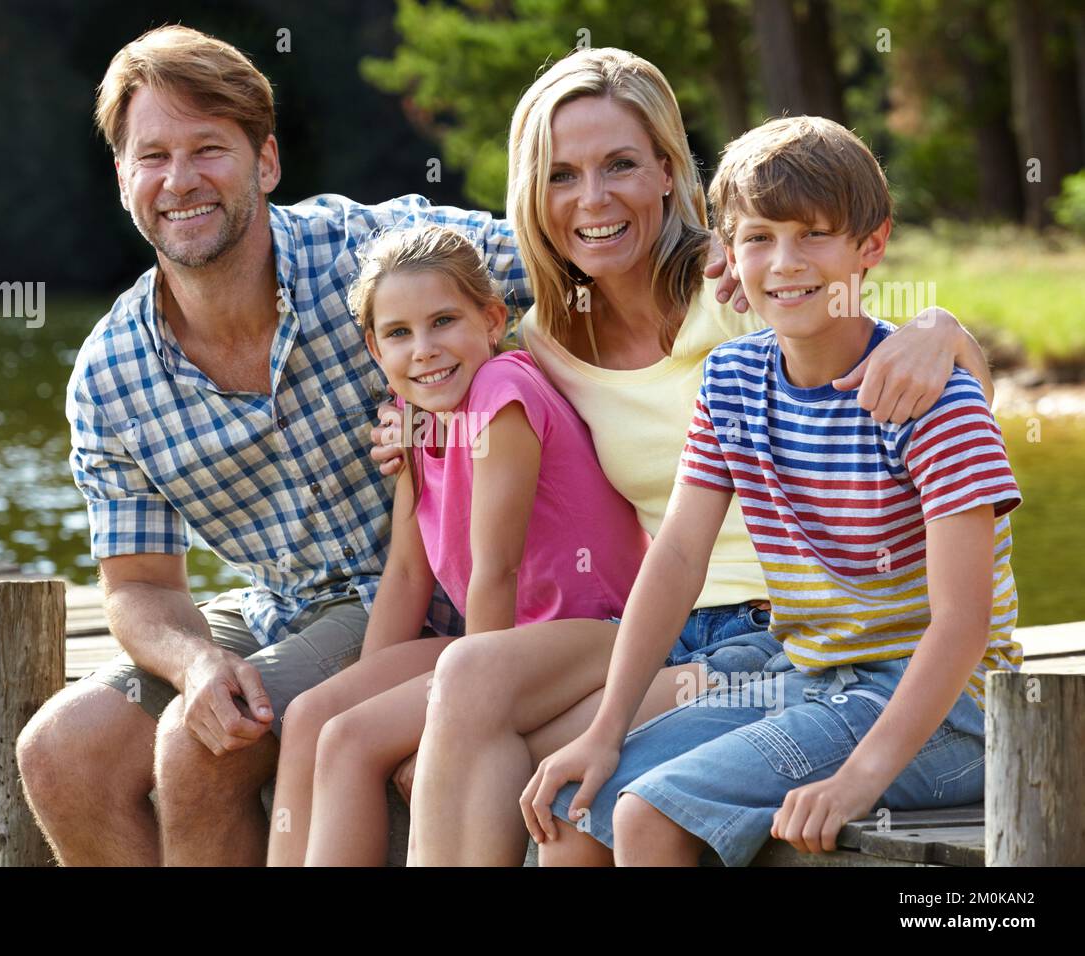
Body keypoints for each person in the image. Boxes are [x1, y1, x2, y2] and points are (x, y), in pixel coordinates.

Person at [385, 47, 1000, 866]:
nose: (592, 199)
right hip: (728, 647)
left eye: (621, 166)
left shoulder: (756, 301)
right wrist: (414, 427)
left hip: (809, 654)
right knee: (530, 755)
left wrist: (945, 330)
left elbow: (964, 601)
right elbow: (672, 550)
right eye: (562, 175)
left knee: (599, 798)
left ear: (672, 174)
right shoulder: (560, 345)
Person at [13, 25, 531, 866]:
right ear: (121, 178)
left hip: (421, 593)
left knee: (198, 744)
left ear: (266, 162)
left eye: (209, 149)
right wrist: (194, 663)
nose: (180, 181)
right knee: (56, 754)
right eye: (152, 157)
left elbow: (563, 255)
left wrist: (715, 258)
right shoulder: (110, 375)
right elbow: (139, 585)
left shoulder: (369, 254)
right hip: (279, 602)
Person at [522, 114, 1021, 866]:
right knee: (573, 802)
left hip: (955, 713)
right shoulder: (733, 380)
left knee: (648, 816)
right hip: (811, 678)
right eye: (757, 238)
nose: (784, 263)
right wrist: (606, 727)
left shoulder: (931, 400)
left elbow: (962, 625)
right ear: (727, 251)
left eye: (811, 235)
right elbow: (680, 554)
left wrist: (860, 780)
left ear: (871, 246)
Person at [265, 225, 645, 866]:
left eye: (444, 321)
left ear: (492, 320)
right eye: (399, 333)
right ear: (374, 347)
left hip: (598, 634)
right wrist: (376, 696)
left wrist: (449, 733)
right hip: (504, 644)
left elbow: (495, 574)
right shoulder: (416, 419)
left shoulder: (502, 395)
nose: (424, 350)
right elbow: (409, 573)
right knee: (315, 717)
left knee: (354, 740)